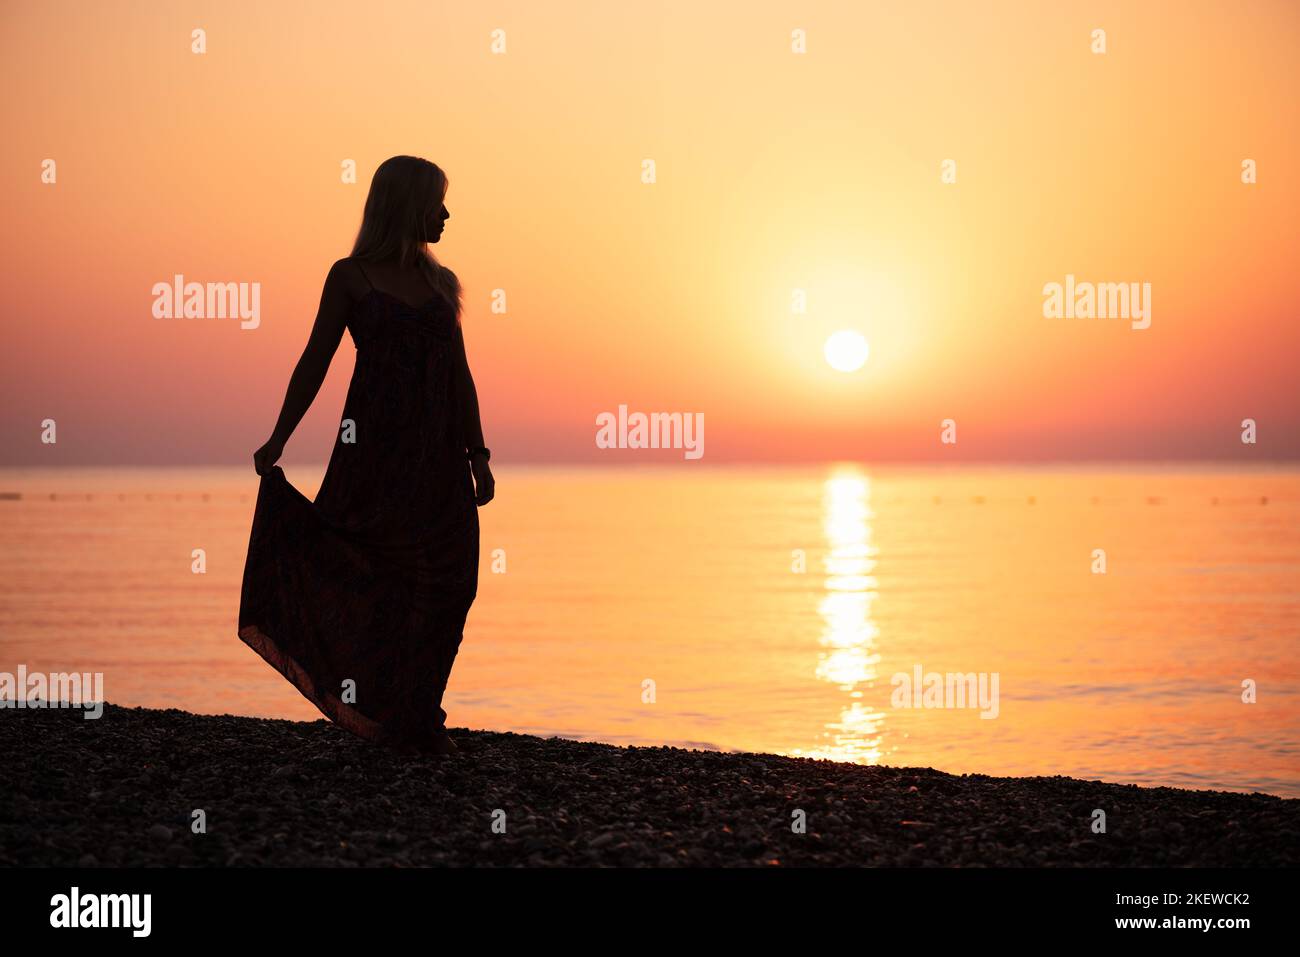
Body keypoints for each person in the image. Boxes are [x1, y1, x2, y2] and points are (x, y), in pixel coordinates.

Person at [238, 155, 493, 756]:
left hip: (437, 460)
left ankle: (416, 708)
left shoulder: (442, 284)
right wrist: (279, 438)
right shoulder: (351, 277)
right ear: (408, 206)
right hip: (372, 454)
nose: (447, 214)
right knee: (374, 577)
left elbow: (460, 377)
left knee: (454, 581)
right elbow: (315, 362)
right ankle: (403, 720)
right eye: (438, 203)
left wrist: (478, 453)